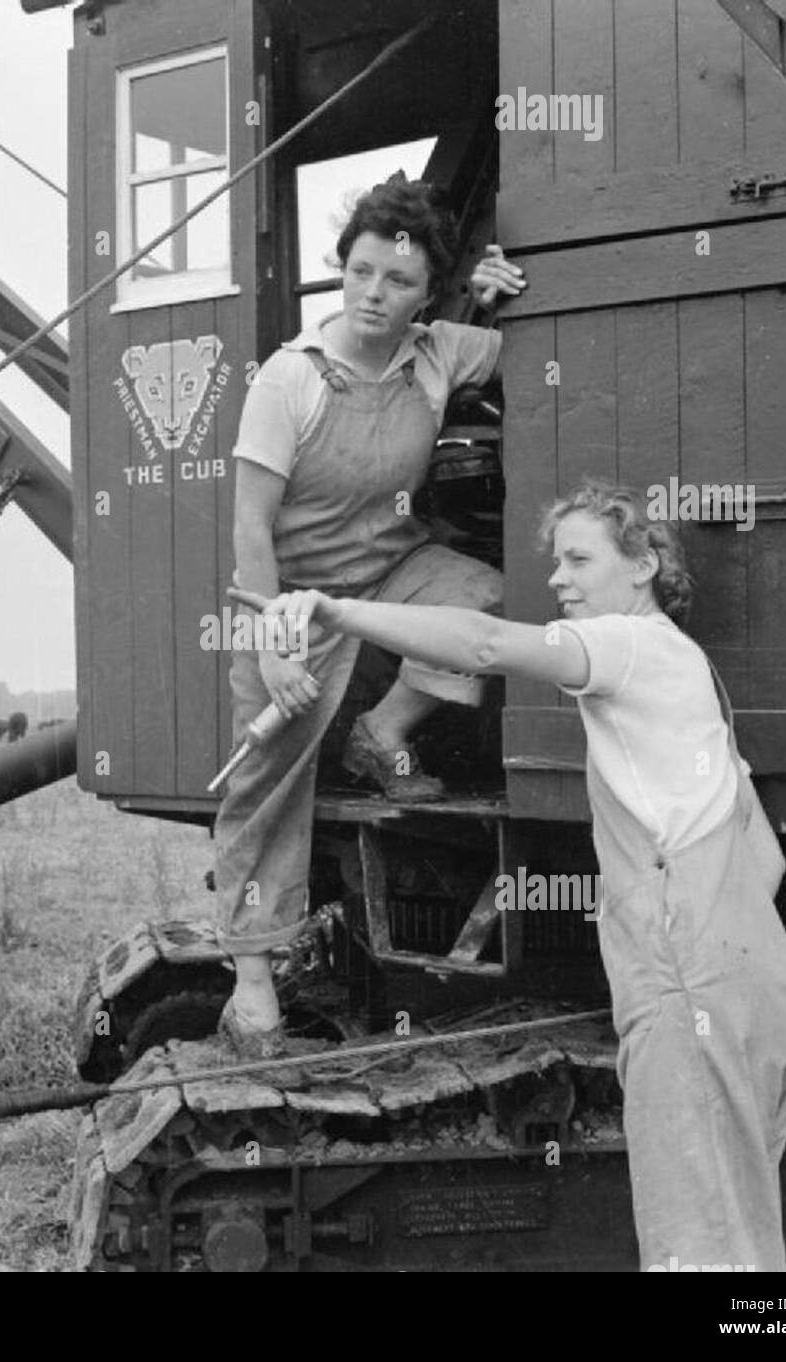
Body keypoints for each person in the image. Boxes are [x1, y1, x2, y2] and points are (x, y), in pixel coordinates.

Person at [234, 480, 786, 1272]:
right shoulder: (691, 671)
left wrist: (336, 611)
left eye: (580, 559)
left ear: (642, 565)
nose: (559, 579)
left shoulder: (625, 646)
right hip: (764, 987)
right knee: (744, 1240)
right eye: (556, 562)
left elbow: (481, 644)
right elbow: (765, 859)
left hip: (692, 986)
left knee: (700, 1257)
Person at [214, 174, 526, 1056]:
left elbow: (529, 343)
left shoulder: (440, 350)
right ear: (339, 271)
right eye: (359, 273)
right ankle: (251, 992)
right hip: (292, 594)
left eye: (396, 281)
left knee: (487, 605)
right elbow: (248, 527)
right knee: (266, 788)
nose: (374, 296)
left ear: (429, 293)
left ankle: (380, 730)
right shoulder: (291, 378)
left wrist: (499, 293)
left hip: (390, 571)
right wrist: (274, 643)